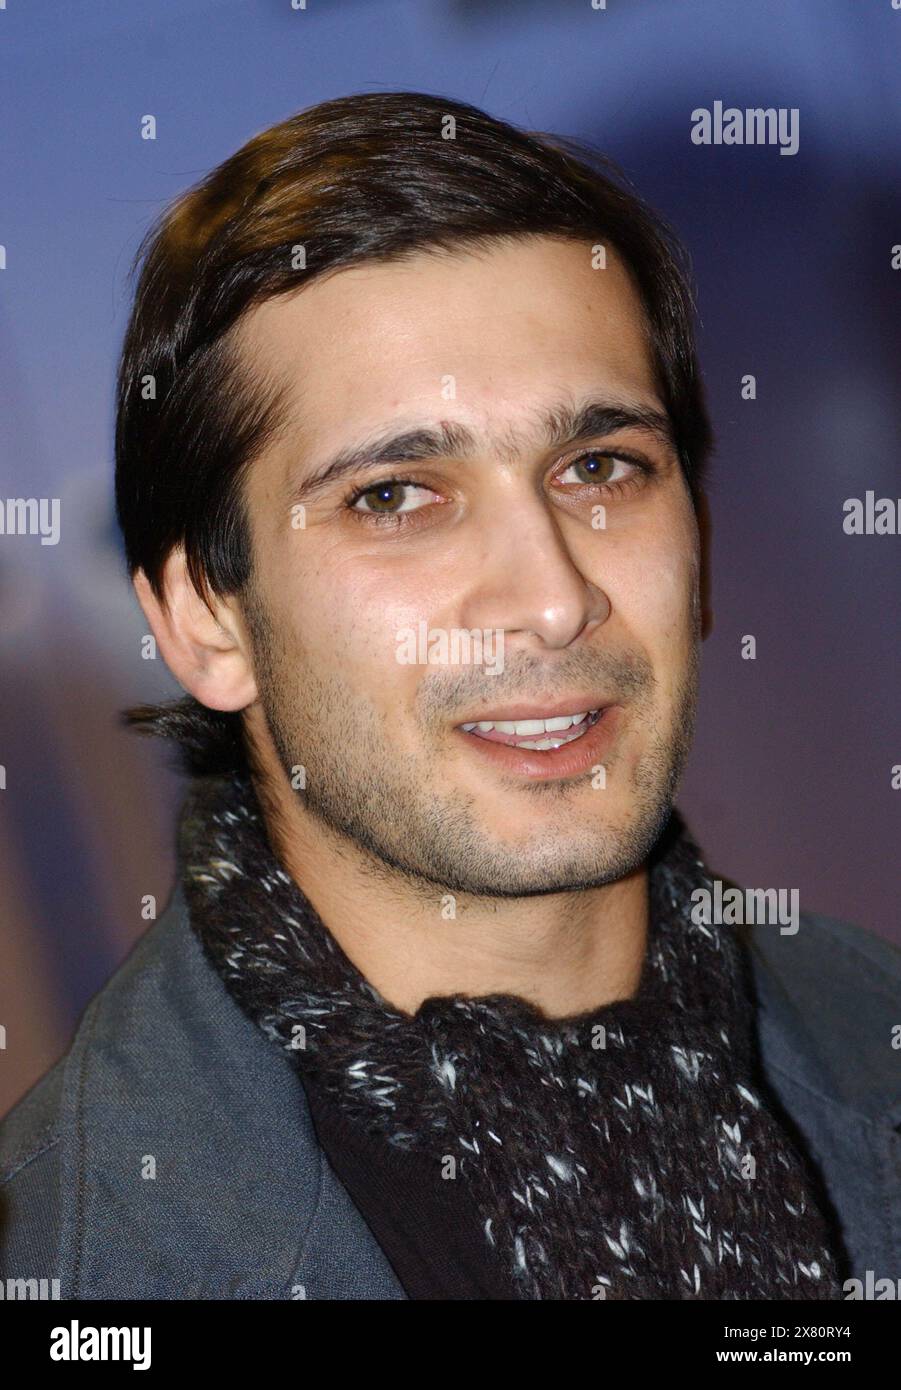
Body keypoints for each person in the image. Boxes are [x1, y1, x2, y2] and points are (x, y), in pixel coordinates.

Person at [1, 91, 898, 1302]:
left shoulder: (872, 1026)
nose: (552, 596)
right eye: (395, 496)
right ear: (205, 621)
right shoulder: (90, 1258)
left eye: (599, 468)